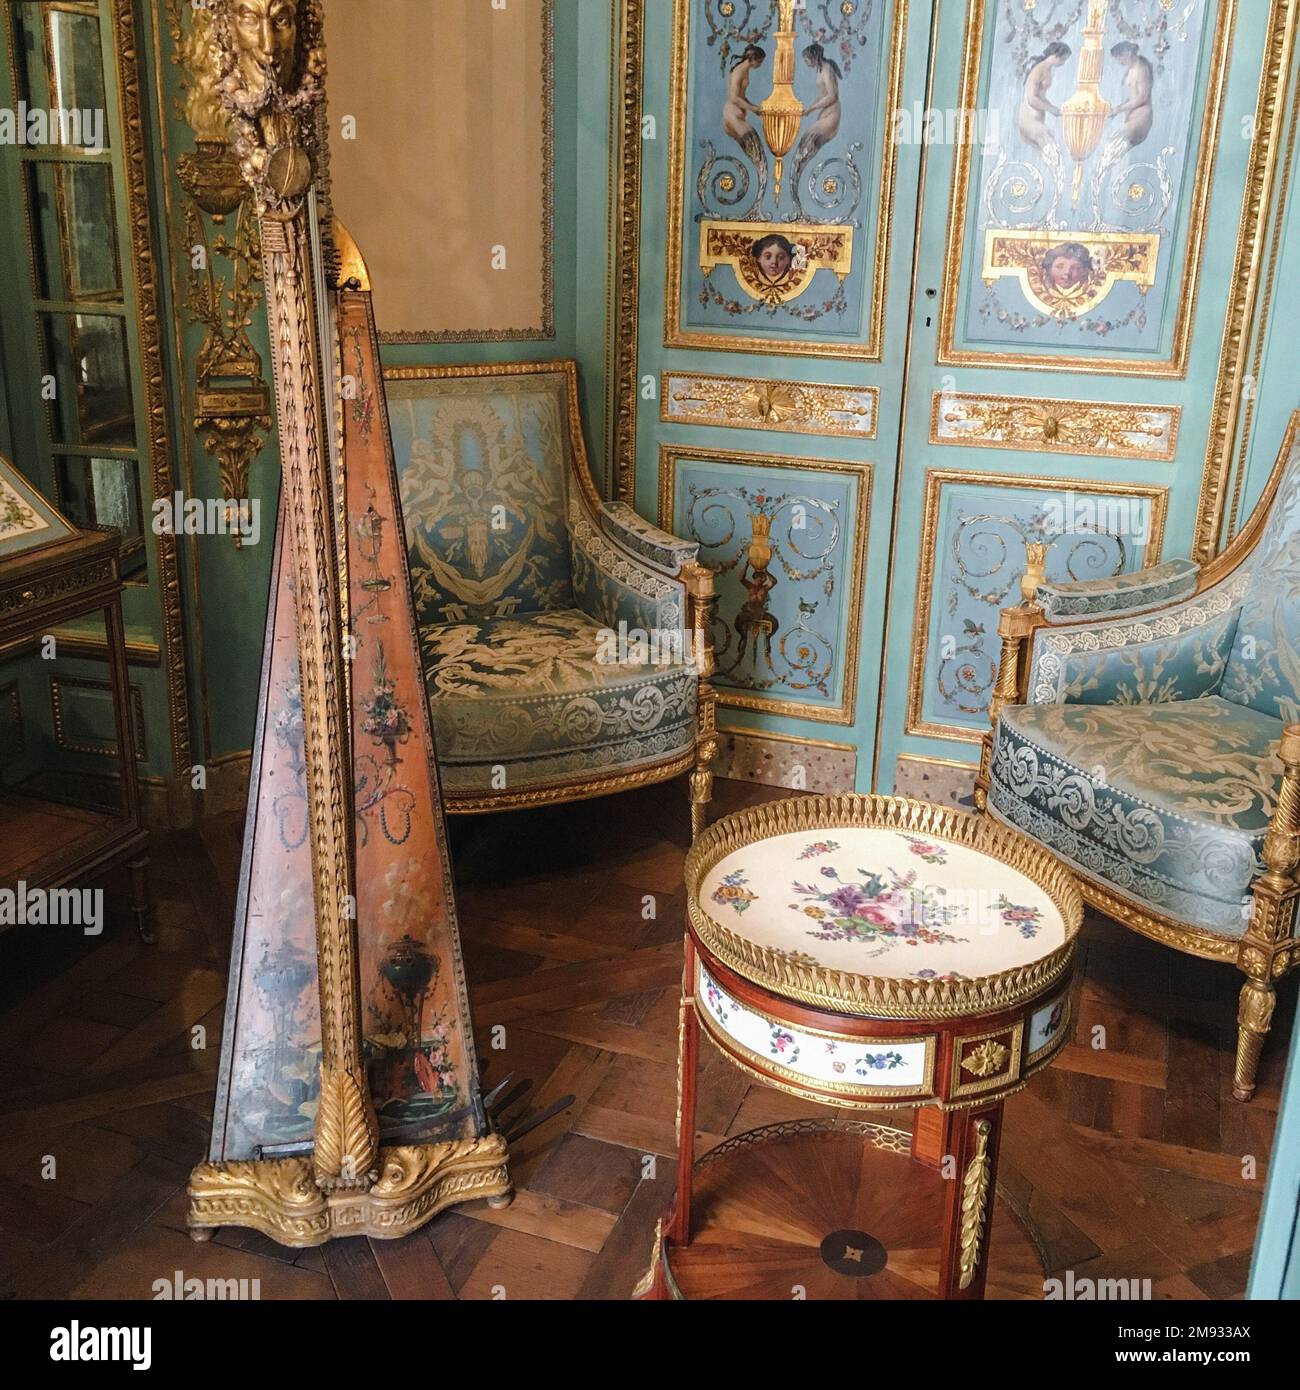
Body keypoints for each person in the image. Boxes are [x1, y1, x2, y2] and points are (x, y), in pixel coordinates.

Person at [1018, 41, 1071, 152]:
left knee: (1051, 151)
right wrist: (1051, 109)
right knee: (1053, 150)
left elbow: (1041, 96)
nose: (1063, 63)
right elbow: (1032, 98)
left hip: (1038, 119)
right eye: (1063, 59)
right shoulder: (1039, 70)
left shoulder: (1047, 69)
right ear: (1055, 55)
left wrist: (1056, 110)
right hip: (1030, 119)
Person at [724, 44, 767, 167]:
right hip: (732, 115)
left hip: (737, 115)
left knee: (754, 153)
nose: (760, 65)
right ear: (752, 59)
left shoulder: (744, 69)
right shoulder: (739, 71)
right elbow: (734, 98)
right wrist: (753, 108)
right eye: (759, 62)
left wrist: (754, 108)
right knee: (755, 148)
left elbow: (741, 96)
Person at [1109, 42, 1154, 151]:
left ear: (1128, 53)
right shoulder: (1132, 68)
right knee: (1111, 147)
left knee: (1112, 147)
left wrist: (1118, 109)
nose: (1120, 62)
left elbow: (1142, 98)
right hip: (1132, 117)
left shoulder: (1141, 69)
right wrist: (1117, 109)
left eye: (1120, 58)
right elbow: (1132, 96)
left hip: (1140, 118)